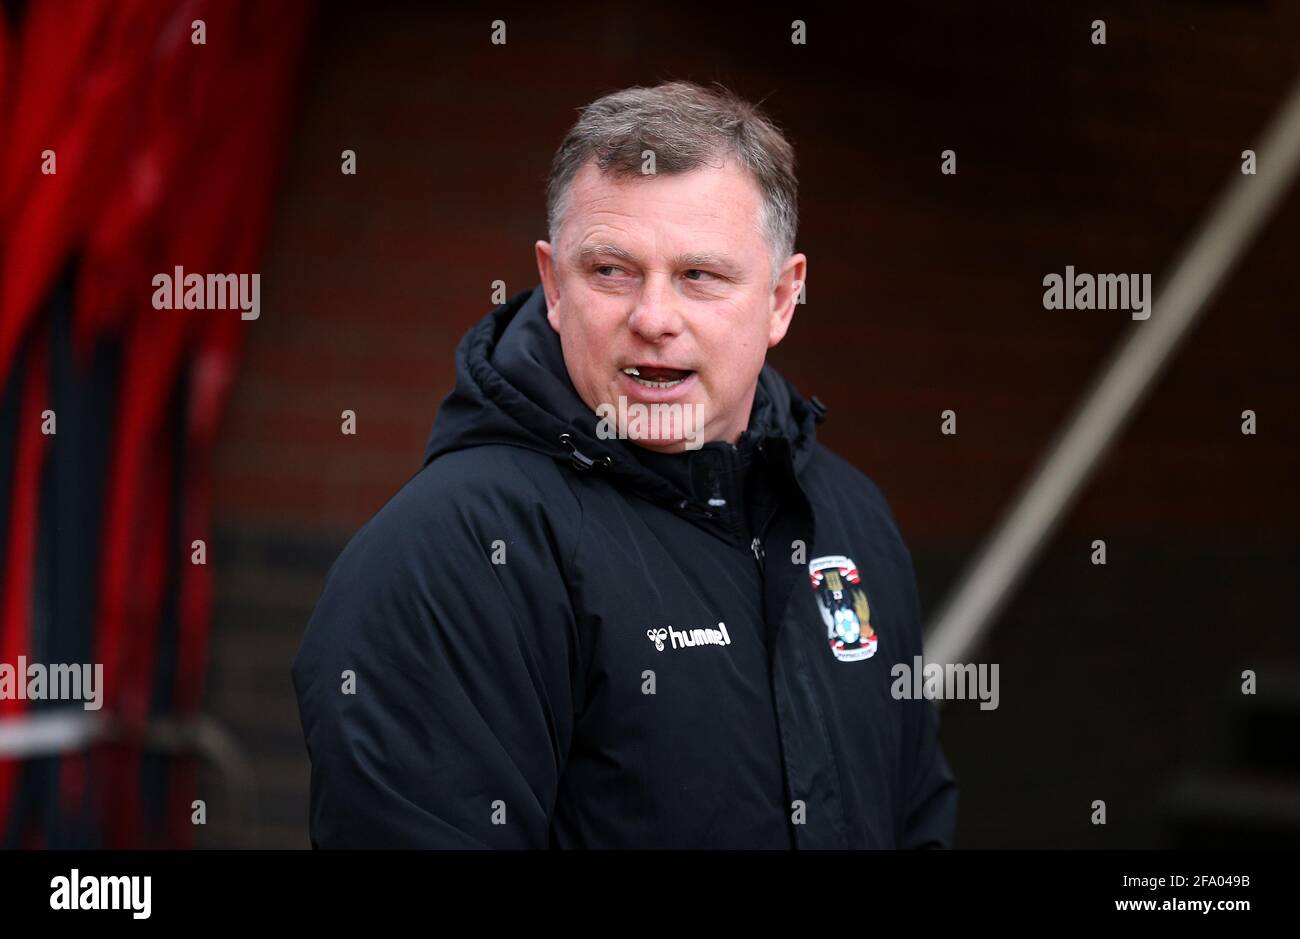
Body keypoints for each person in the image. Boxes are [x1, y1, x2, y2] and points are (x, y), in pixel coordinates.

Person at [292, 80, 958, 848]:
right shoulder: (453, 553)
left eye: (699, 276)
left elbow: (917, 818)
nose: (652, 319)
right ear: (552, 284)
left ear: (782, 298)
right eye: (611, 271)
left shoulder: (849, 519)